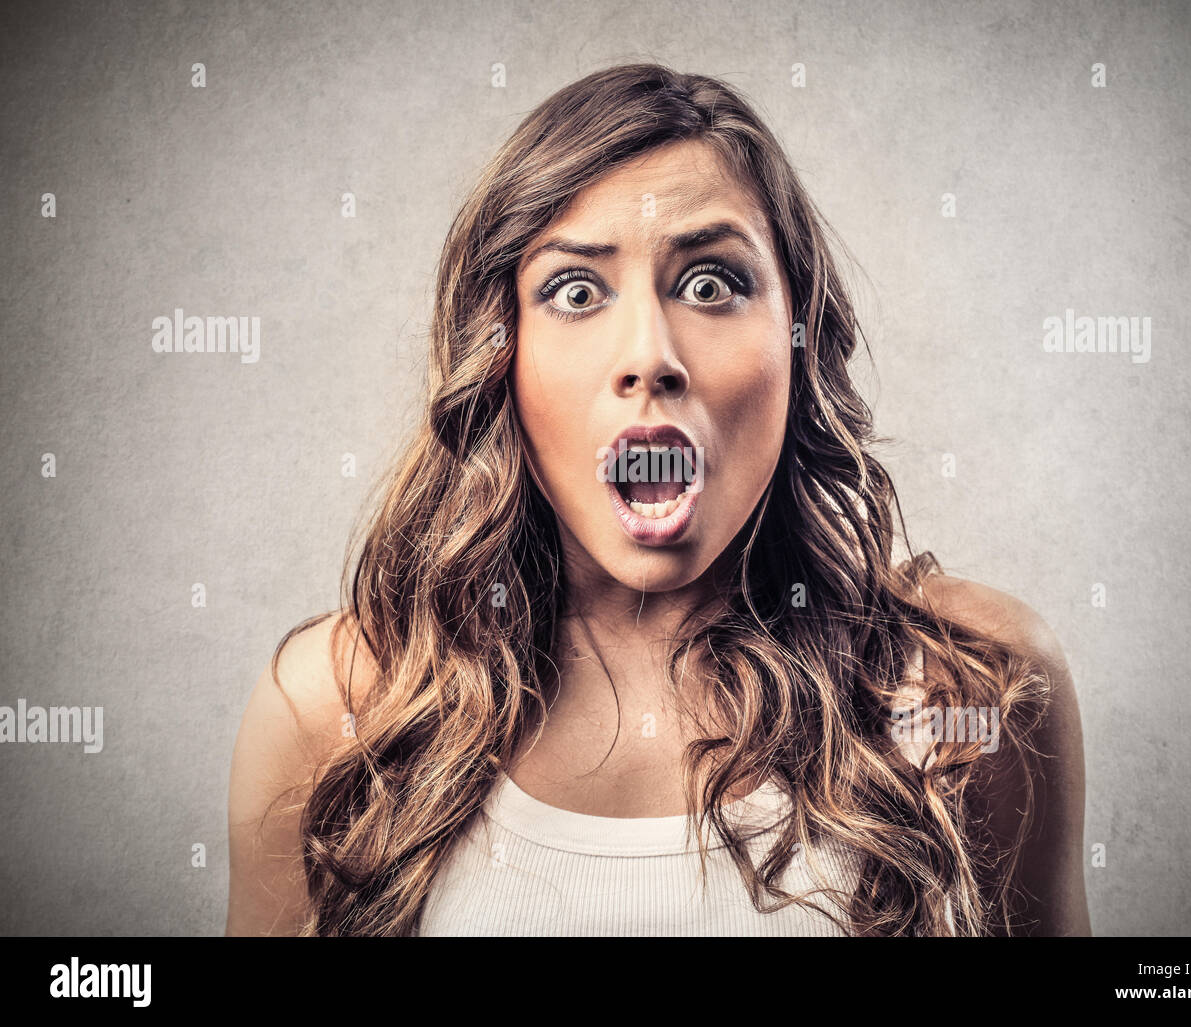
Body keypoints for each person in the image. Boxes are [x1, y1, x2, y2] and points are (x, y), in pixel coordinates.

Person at [226, 62, 1088, 937]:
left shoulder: (972, 686)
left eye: (711, 283)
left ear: (798, 337)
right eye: (575, 291)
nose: (650, 354)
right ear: (501, 356)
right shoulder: (336, 709)